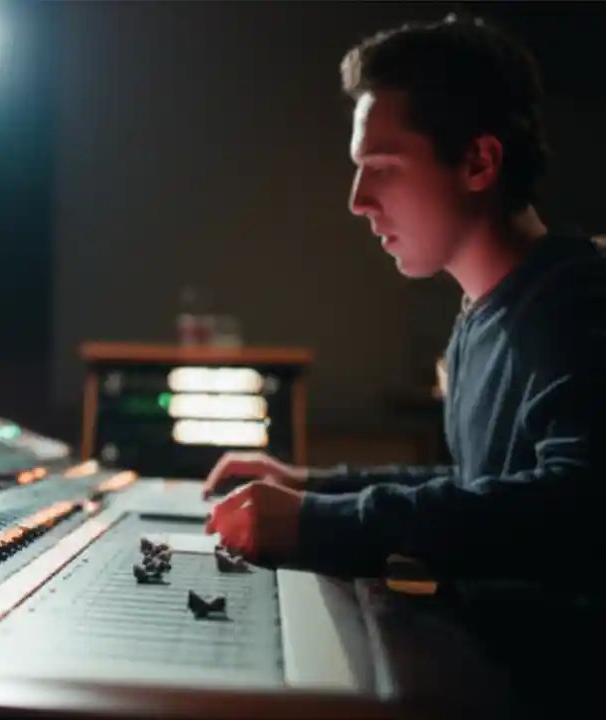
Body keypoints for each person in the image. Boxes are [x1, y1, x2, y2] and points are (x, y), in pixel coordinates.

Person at [201, 14, 606, 586]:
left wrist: (318, 522)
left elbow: (578, 506)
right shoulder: (486, 315)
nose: (358, 200)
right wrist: (311, 487)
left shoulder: (578, 303)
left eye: (383, 168)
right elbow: (476, 488)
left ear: (479, 163)